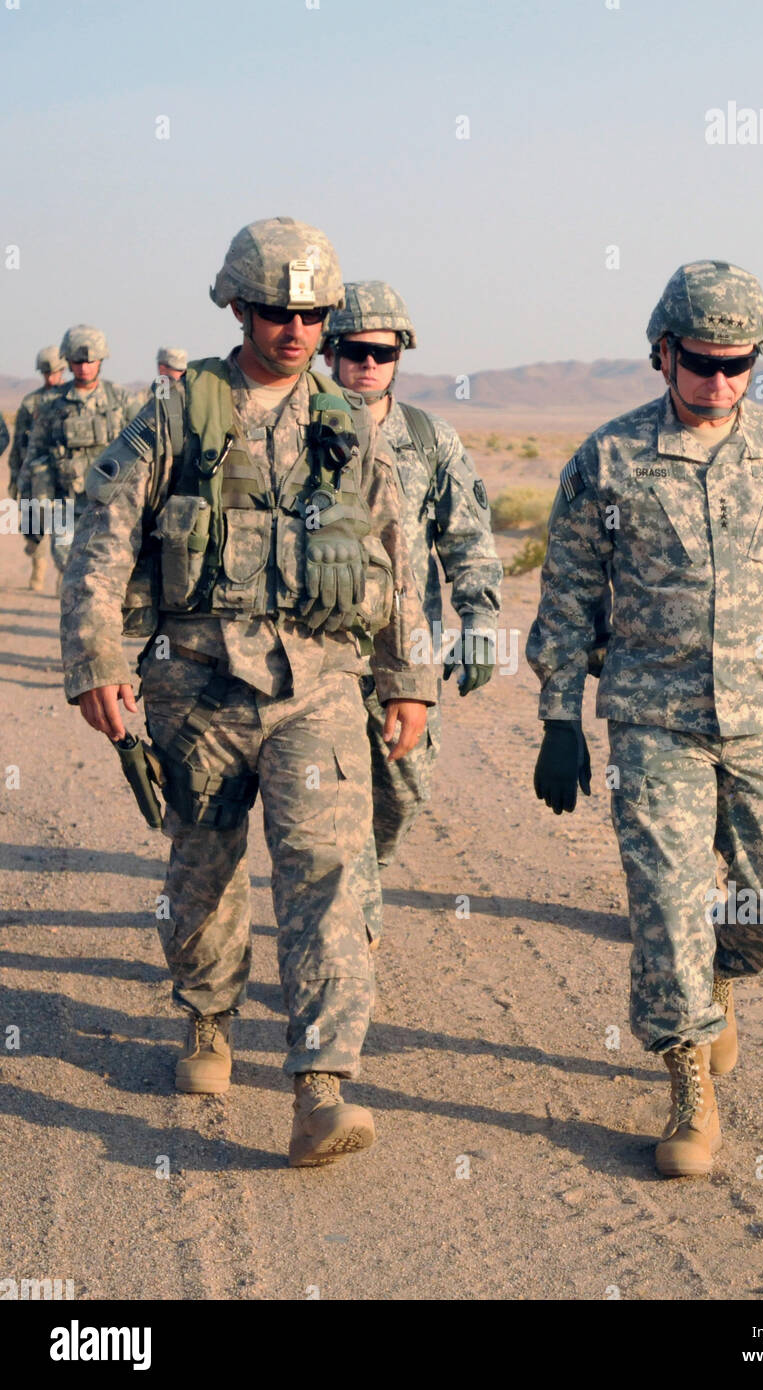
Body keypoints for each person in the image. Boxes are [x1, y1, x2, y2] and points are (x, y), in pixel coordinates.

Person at [59, 217, 436, 1168]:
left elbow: (398, 551)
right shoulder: (180, 414)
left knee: (329, 880)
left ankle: (320, 1085)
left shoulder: (348, 426)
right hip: (197, 687)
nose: (297, 330)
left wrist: (409, 681)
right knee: (205, 875)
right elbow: (103, 537)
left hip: (318, 688)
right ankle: (209, 1014)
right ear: (236, 305)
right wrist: (96, 662)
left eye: (313, 313)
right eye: (277, 311)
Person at [527, 260, 763, 1178]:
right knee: (668, 902)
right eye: (699, 362)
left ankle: (719, 975)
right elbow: (566, 598)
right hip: (654, 723)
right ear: (661, 352)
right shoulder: (608, 460)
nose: (717, 382)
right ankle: (688, 1079)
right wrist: (559, 716)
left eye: (736, 364)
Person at [320, 282, 502, 935]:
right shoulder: (295, 430)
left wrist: (479, 621)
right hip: (315, 655)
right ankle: (351, 923)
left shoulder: (428, 439)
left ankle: (367, 868)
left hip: (405, 654)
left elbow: (468, 539)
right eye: (355, 350)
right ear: (329, 351)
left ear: (400, 356)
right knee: (329, 804)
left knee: (400, 790)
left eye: (383, 352)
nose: (368, 364)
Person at [22, 326, 136, 587]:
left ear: (101, 361)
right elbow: (35, 455)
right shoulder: (52, 405)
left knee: (106, 575)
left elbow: (145, 454)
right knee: (70, 570)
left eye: (90, 361)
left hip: (111, 506)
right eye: (78, 361)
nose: (84, 367)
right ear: (68, 362)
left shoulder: (121, 400)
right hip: (66, 505)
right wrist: (32, 504)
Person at [7, 345, 67, 591]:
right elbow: (19, 442)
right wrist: (15, 476)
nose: (51, 378)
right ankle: (38, 568)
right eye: (46, 373)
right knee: (34, 526)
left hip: (63, 476)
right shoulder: (30, 402)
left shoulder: (70, 400)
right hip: (34, 476)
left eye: (55, 372)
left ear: (63, 370)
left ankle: (63, 577)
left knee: (64, 526)